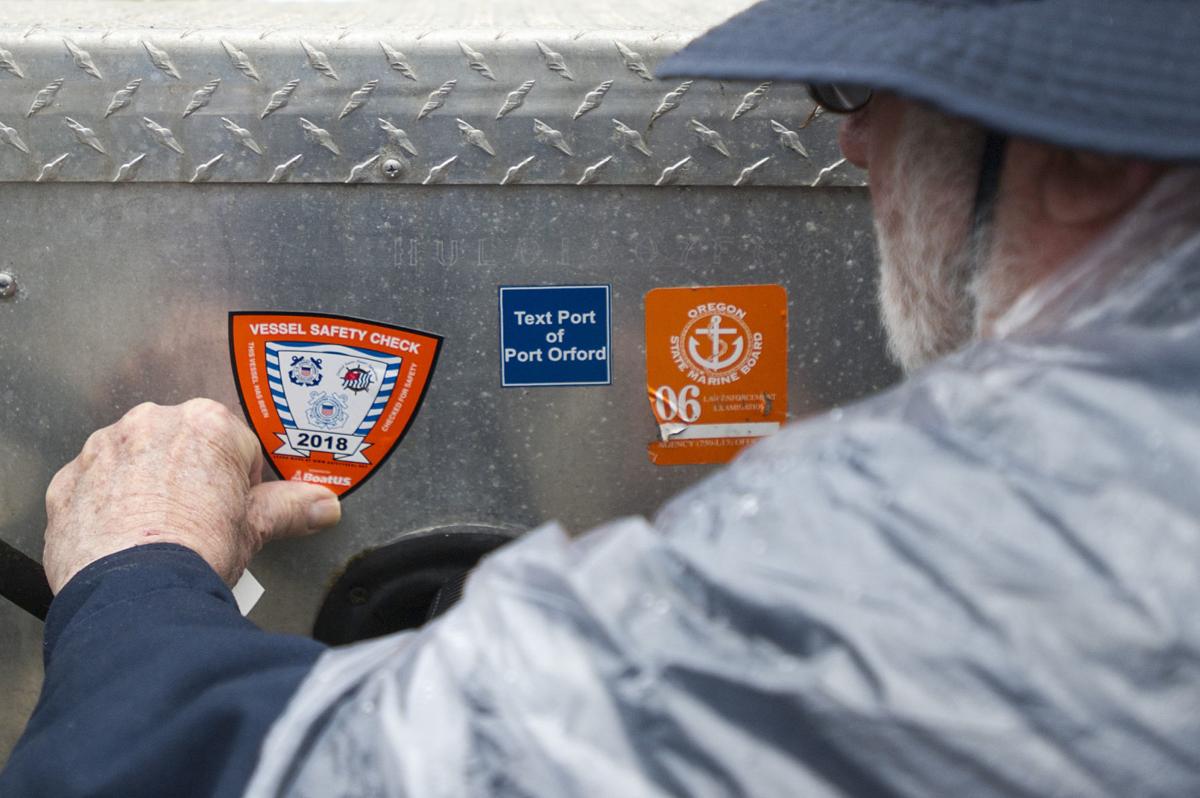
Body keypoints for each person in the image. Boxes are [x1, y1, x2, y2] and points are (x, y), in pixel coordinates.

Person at [5, 0, 1200, 794]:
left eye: (857, 90)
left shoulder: (940, 547)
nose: (853, 149)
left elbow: (220, 776)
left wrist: (136, 568)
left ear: (1084, 152)